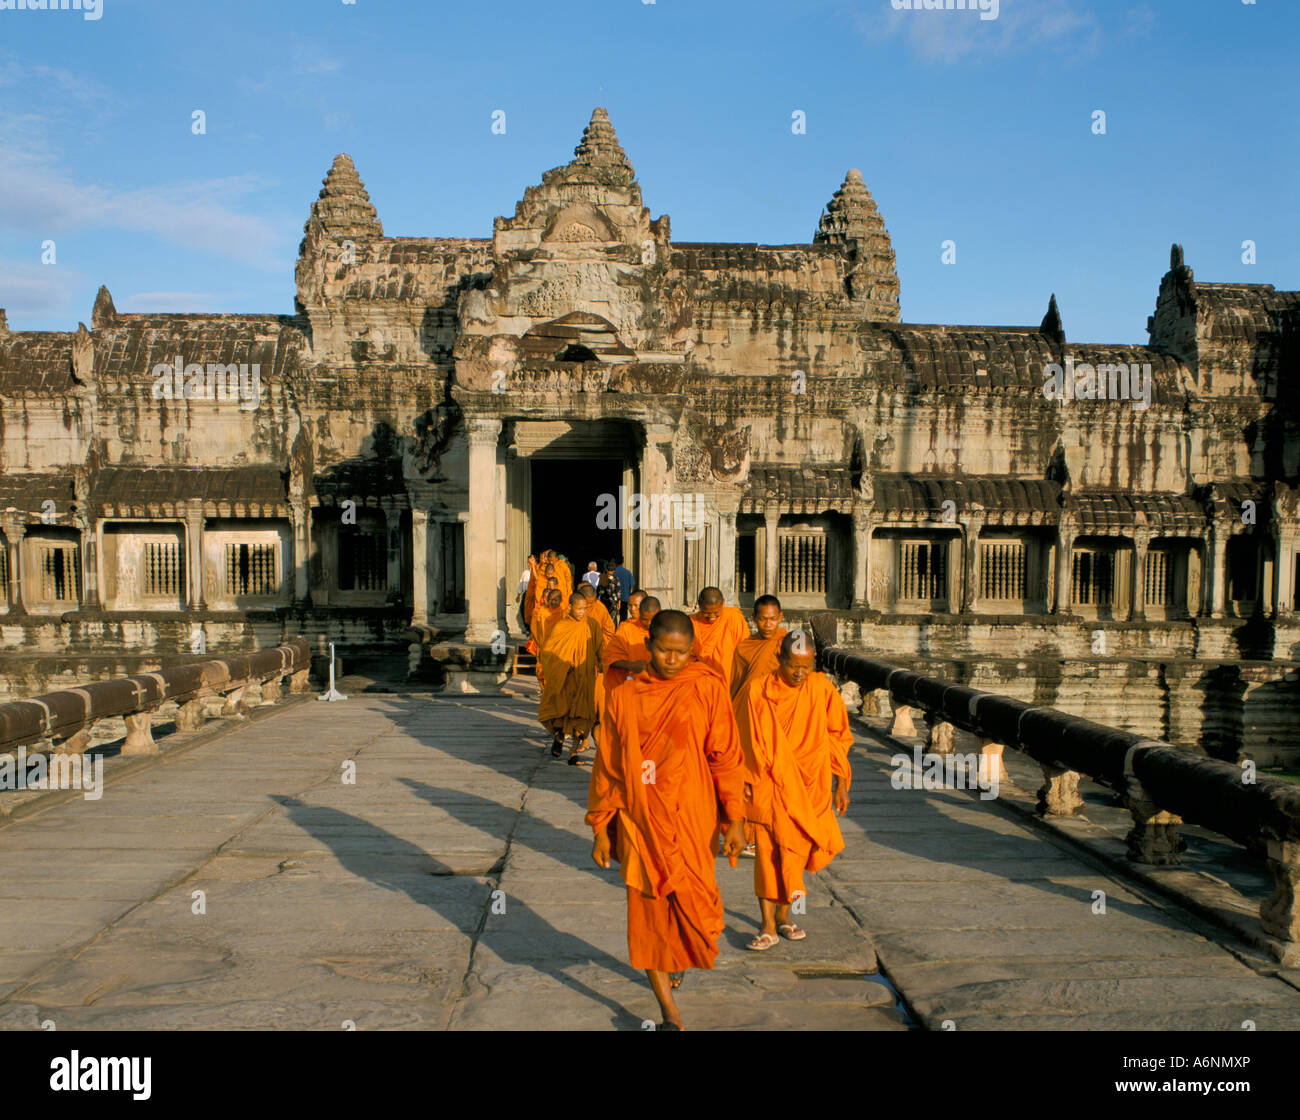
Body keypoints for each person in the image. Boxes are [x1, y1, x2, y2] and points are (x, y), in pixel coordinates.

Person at [587, 609, 748, 1031]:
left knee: (696, 907)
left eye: (681, 652)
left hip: (694, 814)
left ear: (692, 649)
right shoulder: (624, 695)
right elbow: (609, 765)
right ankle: (668, 1013)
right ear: (648, 646)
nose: (672, 659)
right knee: (647, 915)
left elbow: (726, 756)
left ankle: (677, 959)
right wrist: (602, 828)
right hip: (640, 819)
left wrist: (737, 818)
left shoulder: (707, 688)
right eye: (663, 650)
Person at [734, 630, 852, 951]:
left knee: (796, 855)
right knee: (768, 856)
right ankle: (767, 923)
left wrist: (841, 782)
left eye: (806, 666)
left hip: (810, 785)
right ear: (779, 660)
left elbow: (837, 736)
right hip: (769, 784)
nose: (799, 673)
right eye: (792, 666)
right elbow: (743, 739)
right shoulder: (758, 690)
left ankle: (786, 916)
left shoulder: (821, 690)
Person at [539, 592, 605, 765]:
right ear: (570, 607)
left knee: (582, 716)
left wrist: (602, 662)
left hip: (586, 678)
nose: (582, 612)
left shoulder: (592, 625)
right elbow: (547, 652)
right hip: (567, 679)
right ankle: (559, 737)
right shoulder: (562, 626)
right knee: (563, 712)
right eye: (579, 608)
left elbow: (600, 648)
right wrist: (560, 667)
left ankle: (573, 753)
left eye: (585, 609)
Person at [689, 586, 749, 691]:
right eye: (706, 613)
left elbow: (745, 651)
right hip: (701, 683)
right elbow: (688, 656)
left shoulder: (733, 618)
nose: (711, 616)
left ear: (723, 603)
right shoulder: (692, 623)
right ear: (699, 605)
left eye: (716, 612)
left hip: (730, 681)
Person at [730, 595, 787, 701]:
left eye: (773, 619)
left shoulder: (786, 645)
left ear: (780, 617)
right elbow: (735, 686)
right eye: (762, 619)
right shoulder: (744, 648)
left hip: (777, 705)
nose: (768, 625)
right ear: (754, 618)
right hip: (748, 705)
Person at [603, 594, 658, 697]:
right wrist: (632, 666)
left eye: (636, 605)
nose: (632, 609)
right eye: (630, 605)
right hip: (632, 686)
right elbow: (609, 658)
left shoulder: (665, 630)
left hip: (658, 688)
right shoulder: (626, 629)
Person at [528, 588, 565, 687]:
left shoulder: (563, 613)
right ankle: (545, 692)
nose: (553, 602)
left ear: (561, 600)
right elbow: (534, 629)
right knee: (541, 672)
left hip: (558, 649)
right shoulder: (541, 612)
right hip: (543, 646)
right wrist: (539, 644)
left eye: (556, 599)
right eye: (551, 599)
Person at [612, 555, 633, 621]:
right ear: (623, 562)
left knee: (613, 616)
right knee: (624, 616)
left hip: (615, 598)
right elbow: (631, 585)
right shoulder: (627, 572)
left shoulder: (613, 573)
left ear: (615, 562)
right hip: (625, 597)